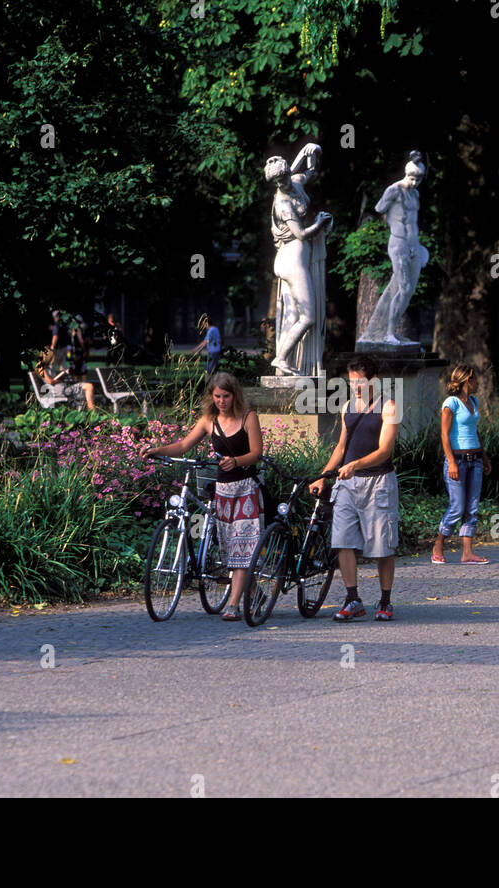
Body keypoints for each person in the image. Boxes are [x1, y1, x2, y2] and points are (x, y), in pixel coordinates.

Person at [146, 373, 264, 621]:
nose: (222, 401)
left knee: (242, 547)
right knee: (231, 550)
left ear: (235, 396)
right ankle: (255, 592)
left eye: (227, 396)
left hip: (246, 489)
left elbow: (256, 453)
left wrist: (237, 461)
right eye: (218, 396)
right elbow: (182, 446)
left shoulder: (248, 418)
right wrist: (155, 450)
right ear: (212, 396)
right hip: (223, 490)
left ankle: (232, 604)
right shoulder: (209, 420)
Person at [309, 355, 400, 622]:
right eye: (351, 382)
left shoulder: (389, 407)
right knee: (343, 541)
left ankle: (385, 601)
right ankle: (353, 599)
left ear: (374, 379)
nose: (355, 386)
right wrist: (323, 476)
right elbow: (341, 447)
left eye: (360, 381)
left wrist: (356, 465)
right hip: (347, 483)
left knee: (382, 545)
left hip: (378, 483)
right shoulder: (348, 406)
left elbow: (385, 451)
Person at [266, 145, 332, 376]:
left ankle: (284, 364)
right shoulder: (283, 203)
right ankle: (281, 358)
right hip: (292, 262)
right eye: (279, 181)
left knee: (294, 317)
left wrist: (309, 152)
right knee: (309, 317)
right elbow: (302, 234)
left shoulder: (294, 182)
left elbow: (310, 171)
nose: (283, 183)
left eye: (284, 177)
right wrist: (320, 222)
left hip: (298, 260)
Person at [360, 150, 428, 344]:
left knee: (408, 290)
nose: (414, 183)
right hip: (398, 243)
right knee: (404, 287)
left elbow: (413, 222)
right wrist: (391, 217)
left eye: (419, 179)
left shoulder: (415, 194)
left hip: (413, 245)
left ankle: (391, 330)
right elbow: (380, 208)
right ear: (406, 174)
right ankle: (388, 333)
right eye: (412, 178)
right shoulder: (394, 190)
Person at [432, 363, 493, 563]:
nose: (478, 384)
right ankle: (439, 543)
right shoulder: (451, 403)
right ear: (468, 380)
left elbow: (474, 432)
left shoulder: (473, 401)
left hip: (474, 460)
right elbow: (444, 434)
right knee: (457, 506)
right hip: (457, 460)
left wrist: (484, 458)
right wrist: (451, 462)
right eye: (476, 380)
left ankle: (467, 553)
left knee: (472, 507)